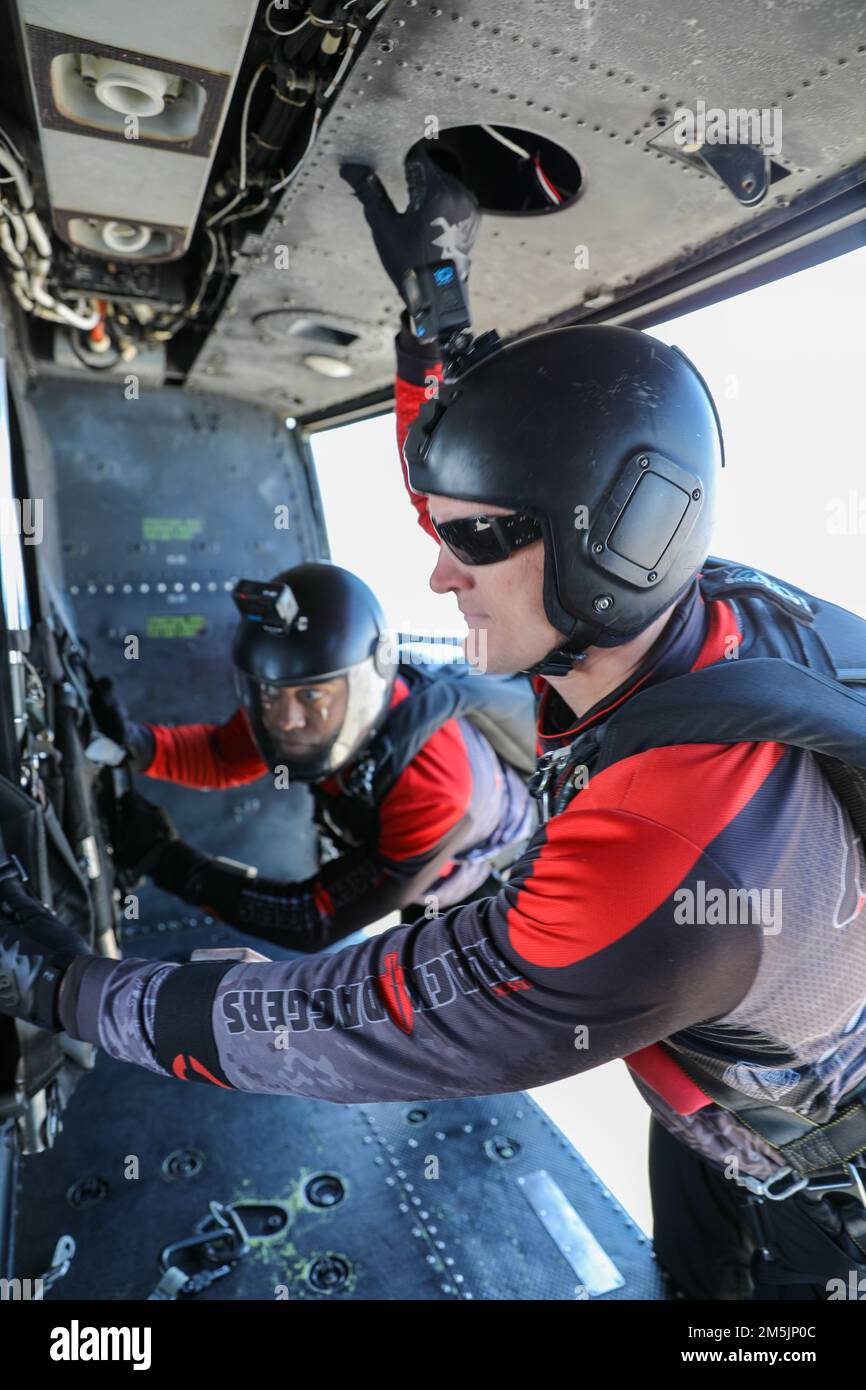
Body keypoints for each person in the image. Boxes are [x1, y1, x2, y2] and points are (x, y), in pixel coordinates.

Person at [3, 151, 866, 1305]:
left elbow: (351, 1014)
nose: (434, 567)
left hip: (818, 1180)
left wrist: (69, 989)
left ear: (600, 553)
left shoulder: (652, 859)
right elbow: (501, 492)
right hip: (717, 1062)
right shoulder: (694, 599)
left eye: (464, 544)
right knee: (691, 1259)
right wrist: (434, 315)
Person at [95, 561, 537, 952]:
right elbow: (220, 755)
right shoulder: (321, 707)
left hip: (464, 880)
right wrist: (133, 744)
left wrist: (166, 862)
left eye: (310, 695)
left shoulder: (434, 786)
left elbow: (312, 918)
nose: (286, 720)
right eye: (270, 694)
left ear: (365, 686)